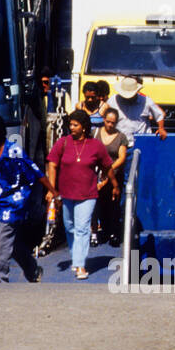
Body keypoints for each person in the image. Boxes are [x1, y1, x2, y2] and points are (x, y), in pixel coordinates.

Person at [0, 115, 53, 283]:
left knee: (2, 239)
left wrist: (53, 192)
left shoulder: (14, 151)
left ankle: (1, 279)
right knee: (12, 244)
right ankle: (33, 270)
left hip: (15, 202)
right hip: (0, 201)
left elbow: (35, 172)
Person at [47, 110, 116, 280]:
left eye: (75, 125)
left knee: (82, 229)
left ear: (84, 127)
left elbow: (108, 167)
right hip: (66, 194)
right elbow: (52, 165)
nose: (71, 127)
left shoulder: (95, 146)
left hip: (88, 194)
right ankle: (75, 257)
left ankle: (80, 265)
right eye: (70, 124)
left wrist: (114, 185)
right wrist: (51, 189)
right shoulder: (62, 142)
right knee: (69, 227)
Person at [93, 108, 129, 247]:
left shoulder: (121, 137)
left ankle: (114, 232)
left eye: (113, 123)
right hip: (97, 175)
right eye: (108, 122)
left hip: (114, 175)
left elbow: (122, 158)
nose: (110, 125)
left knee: (114, 204)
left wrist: (108, 170)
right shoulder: (95, 133)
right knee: (97, 204)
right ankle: (97, 233)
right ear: (104, 120)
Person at [107, 76, 167, 144]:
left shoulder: (146, 101)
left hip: (141, 142)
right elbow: (105, 116)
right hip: (118, 143)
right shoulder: (112, 100)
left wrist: (161, 128)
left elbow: (159, 114)